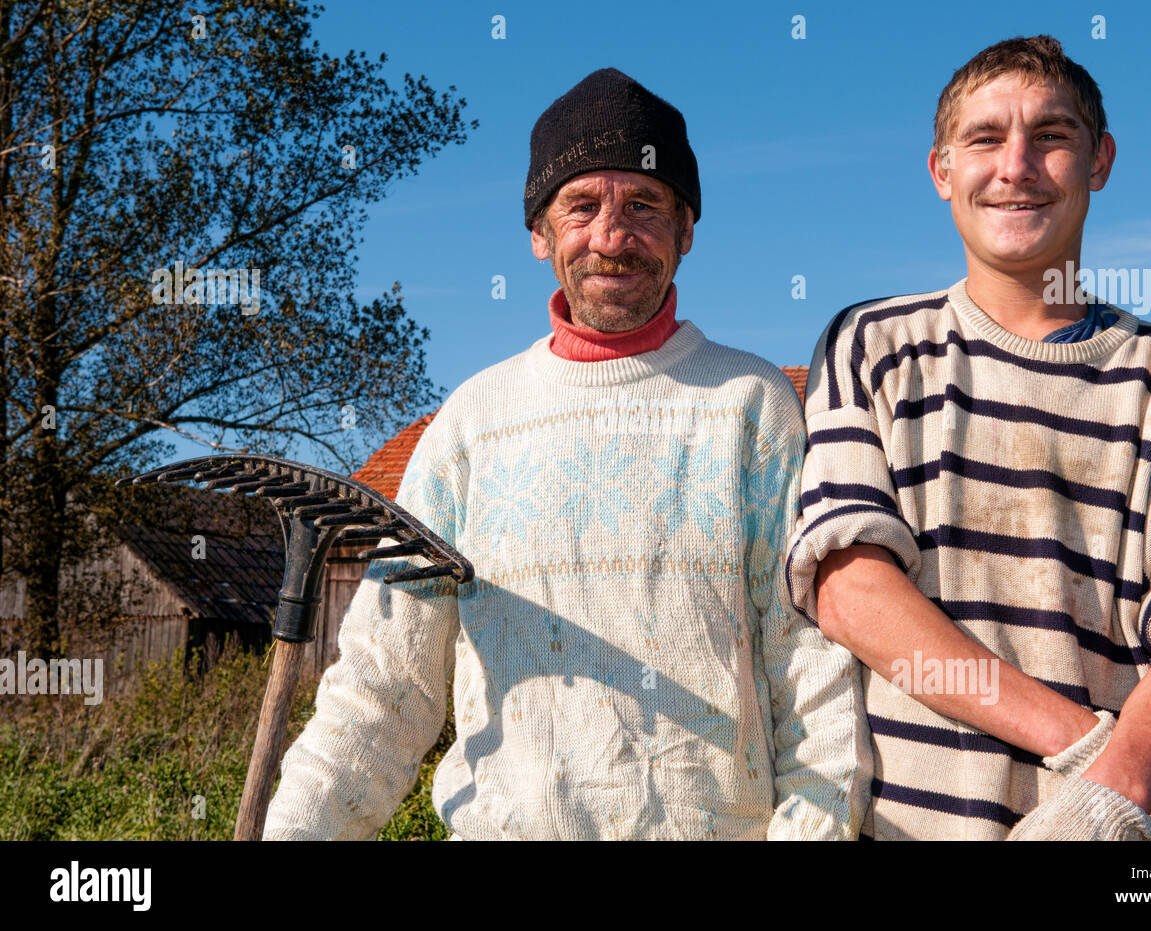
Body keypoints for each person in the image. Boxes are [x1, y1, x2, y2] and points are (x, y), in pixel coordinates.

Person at [265, 68, 869, 840]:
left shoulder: (749, 405)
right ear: (539, 233)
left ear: (686, 231)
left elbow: (811, 672)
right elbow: (383, 688)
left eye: (644, 205)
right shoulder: (473, 423)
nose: (612, 238)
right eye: (581, 206)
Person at [784, 36, 1151, 840]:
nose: (1016, 165)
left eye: (1051, 136)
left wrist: (1109, 803)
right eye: (984, 138)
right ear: (941, 171)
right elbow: (850, 589)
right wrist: (1098, 759)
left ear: (1100, 161)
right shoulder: (871, 346)